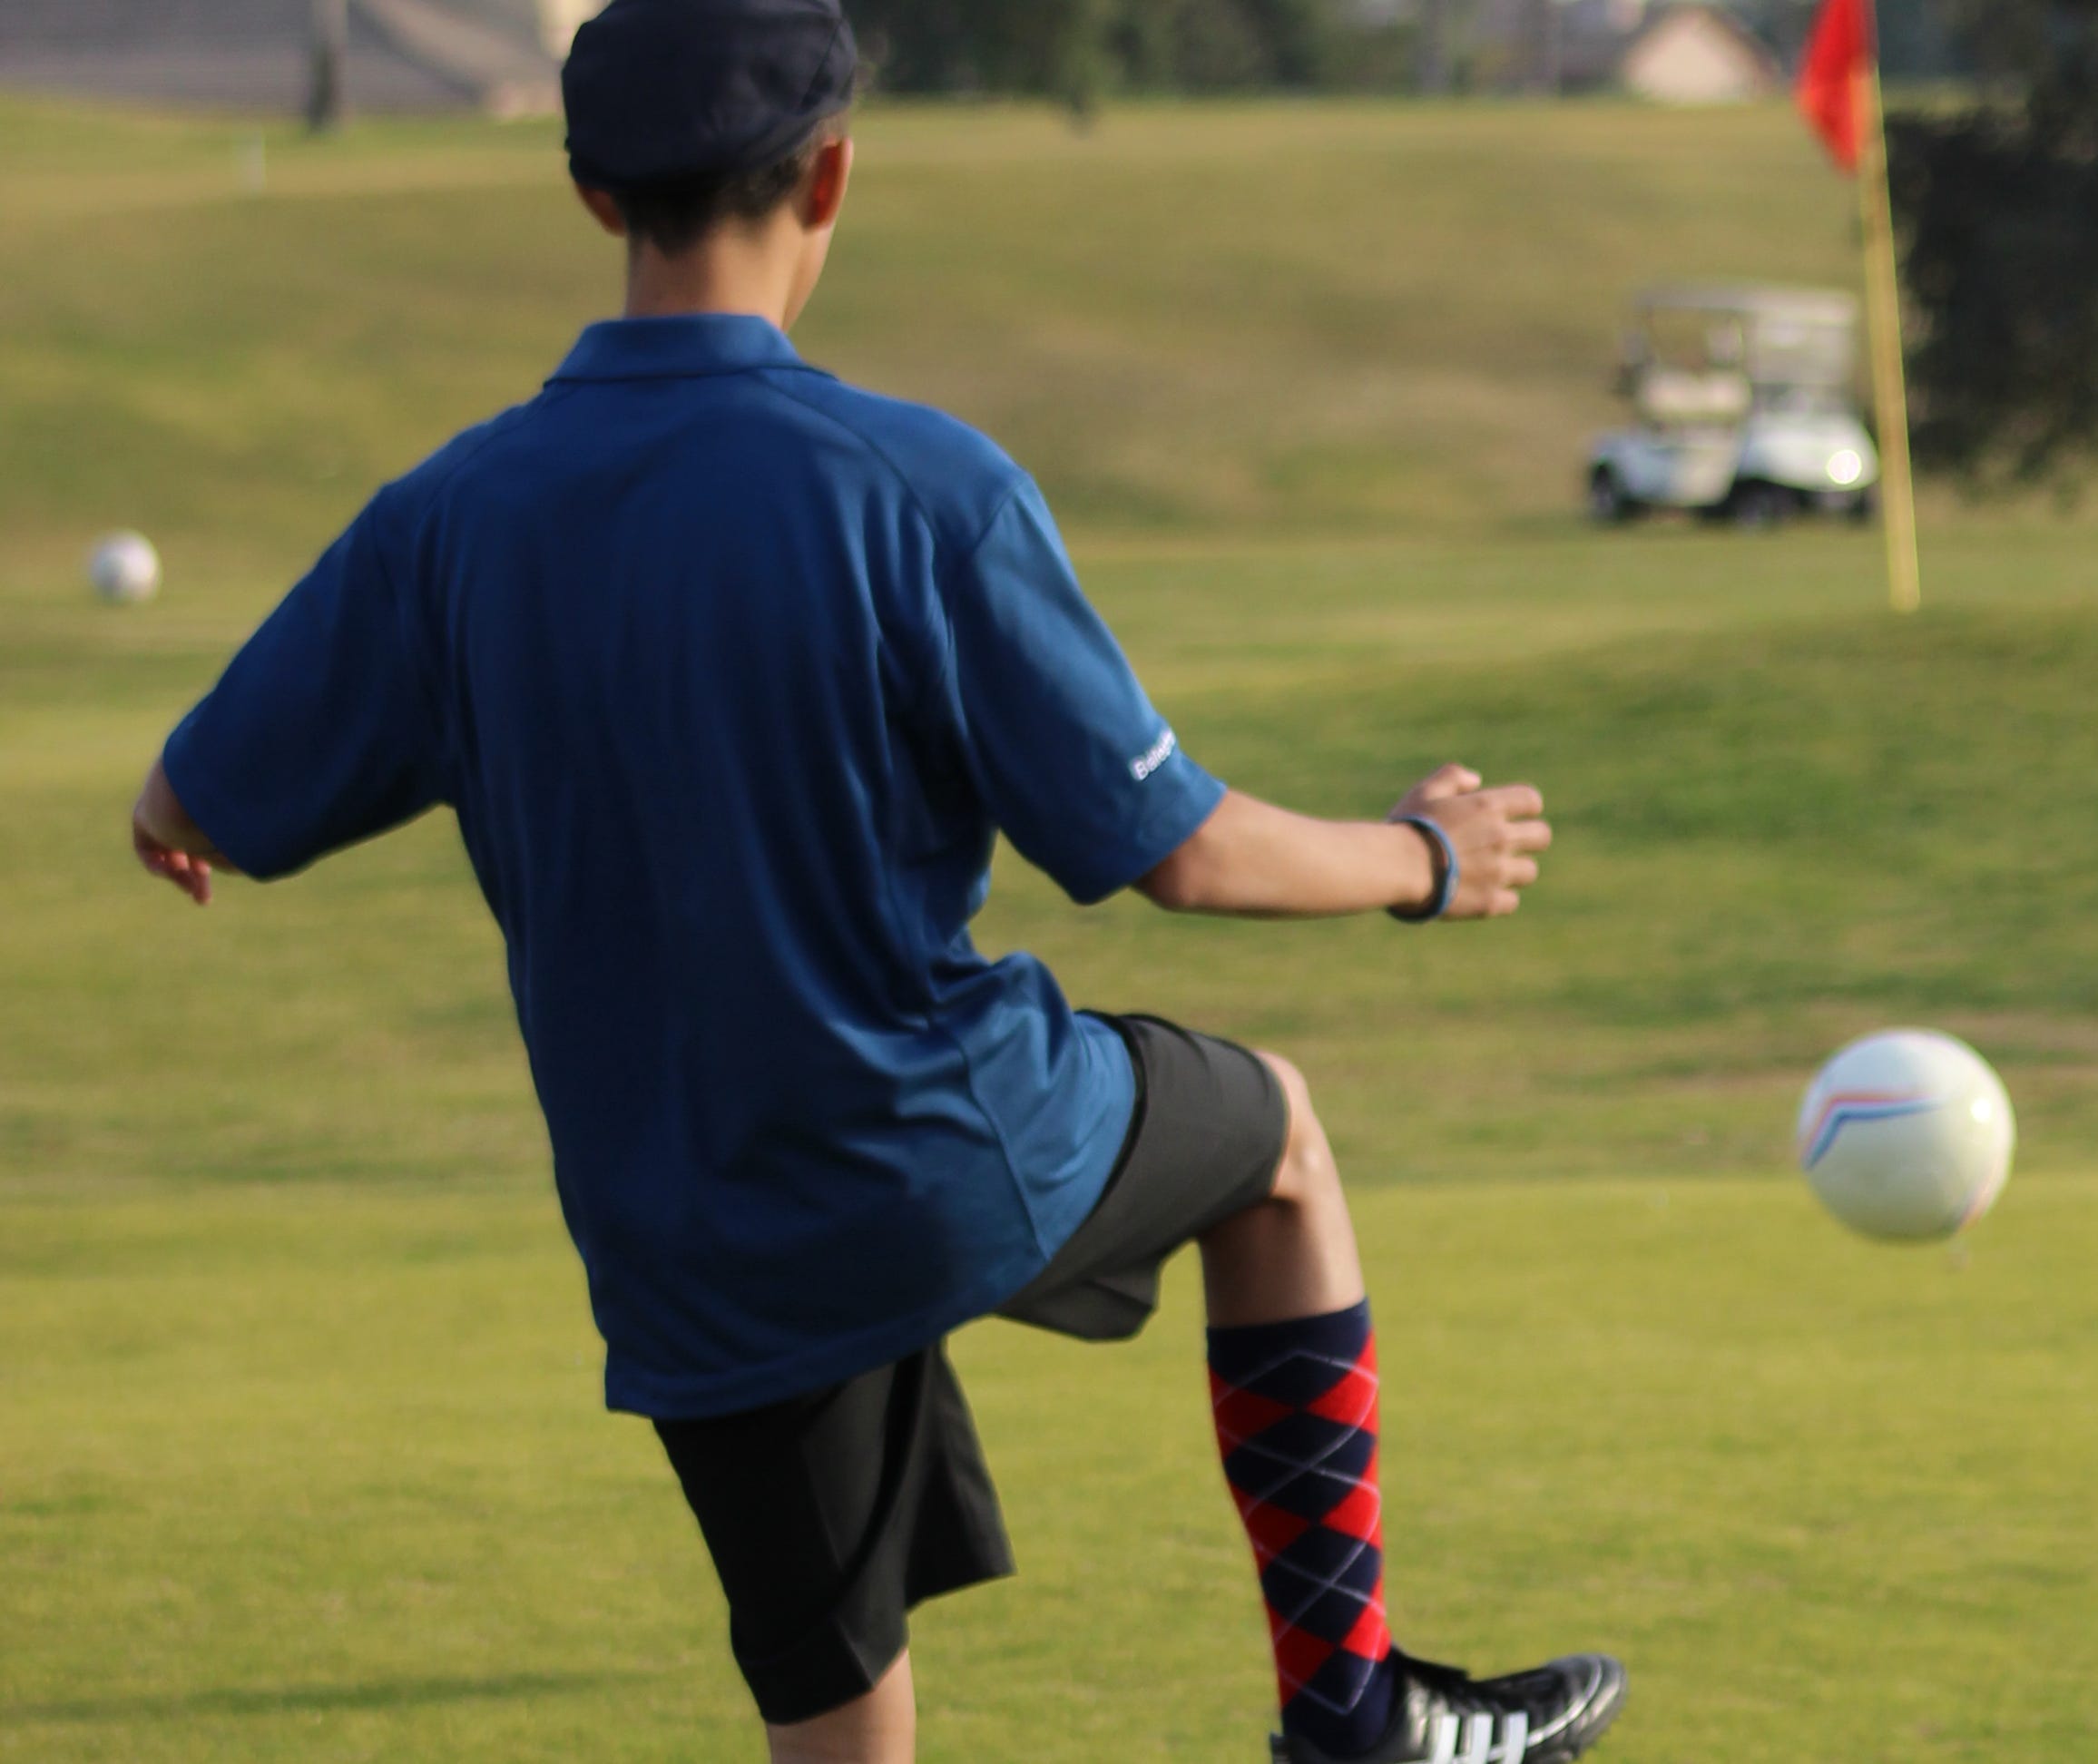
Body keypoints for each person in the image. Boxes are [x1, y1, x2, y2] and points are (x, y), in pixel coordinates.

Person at [123, 3, 1625, 1760]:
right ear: (832, 170)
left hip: (684, 1234)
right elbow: (1181, 851)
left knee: (843, 1736)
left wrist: (185, 819)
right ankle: (1354, 1717)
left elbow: (194, 795)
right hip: (933, 1150)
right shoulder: (918, 488)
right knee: (1276, 1139)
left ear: (594, 194)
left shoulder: (448, 515)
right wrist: (1422, 860)